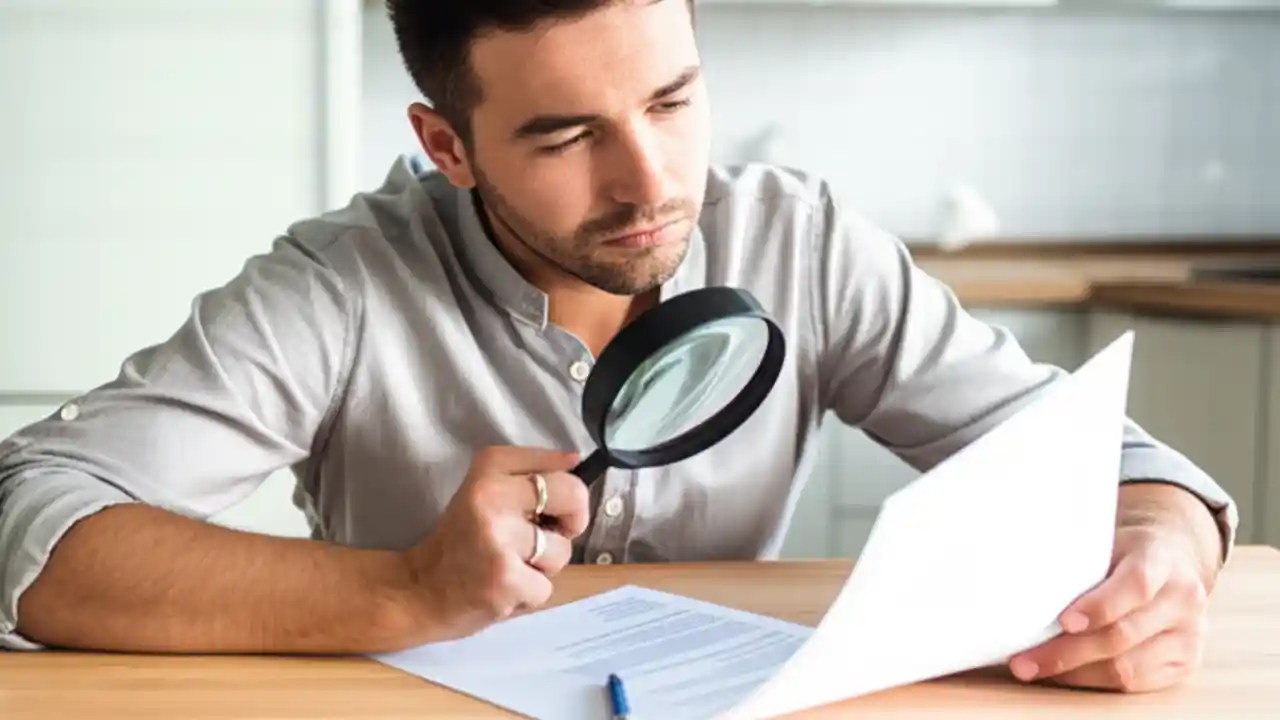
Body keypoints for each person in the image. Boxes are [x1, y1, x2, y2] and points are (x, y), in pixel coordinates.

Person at [0, 0, 1235, 696]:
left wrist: (1157, 553)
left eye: (670, 101)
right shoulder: (342, 285)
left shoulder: (800, 240)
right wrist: (403, 591)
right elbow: (31, 512)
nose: (649, 183)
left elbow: (1114, 459)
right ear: (448, 145)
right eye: (563, 135)